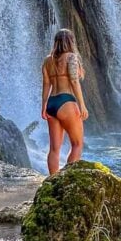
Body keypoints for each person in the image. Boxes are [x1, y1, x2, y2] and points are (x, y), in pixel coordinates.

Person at [41, 28, 89, 174]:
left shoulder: (48, 60)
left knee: (54, 149)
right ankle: (68, 178)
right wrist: (82, 105)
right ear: (71, 42)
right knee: (77, 144)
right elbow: (74, 82)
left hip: (52, 103)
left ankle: (52, 181)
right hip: (66, 101)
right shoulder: (71, 58)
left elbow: (46, 84)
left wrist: (43, 106)